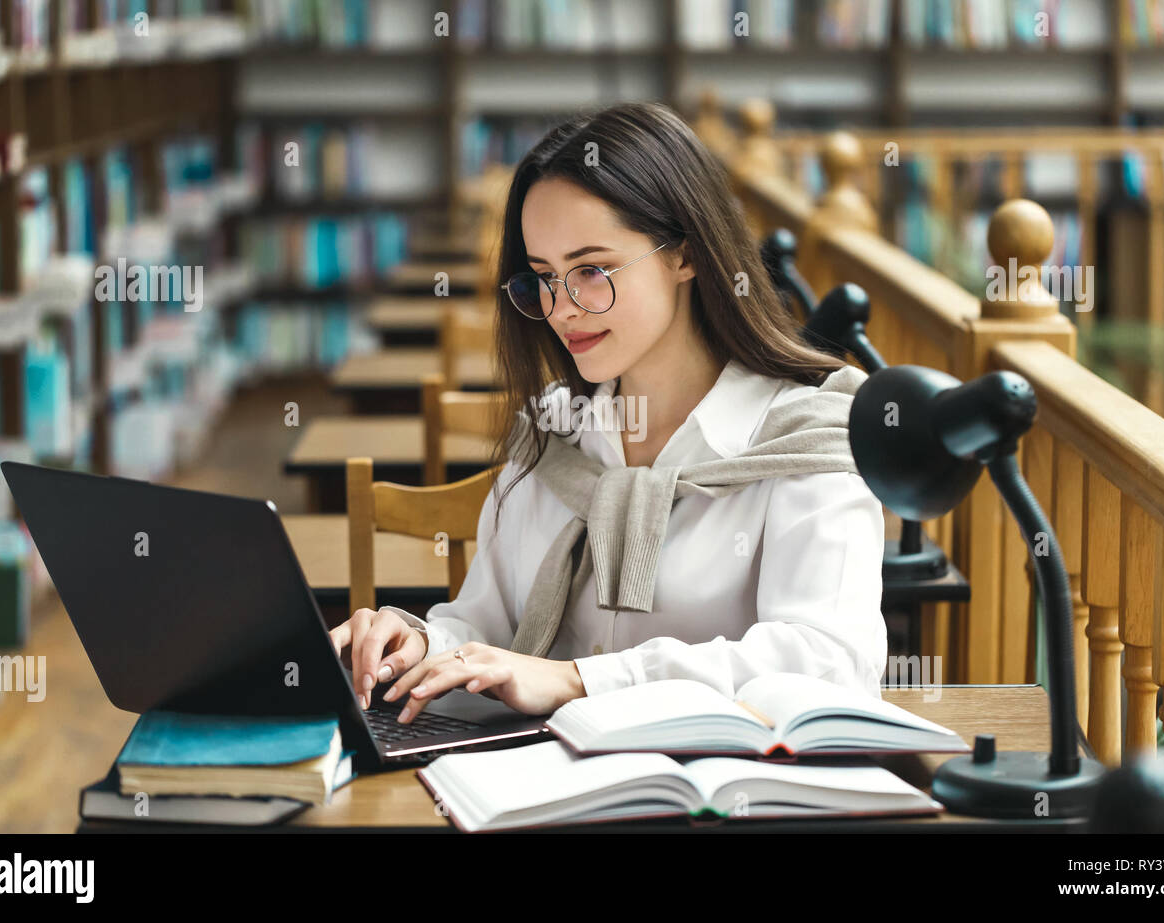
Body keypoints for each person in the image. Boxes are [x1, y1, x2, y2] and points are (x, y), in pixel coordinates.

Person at [329, 102, 887, 724]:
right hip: (539, 786)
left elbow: (831, 663)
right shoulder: (553, 432)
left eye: (591, 270)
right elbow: (488, 630)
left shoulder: (805, 436)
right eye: (543, 276)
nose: (562, 308)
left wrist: (577, 680)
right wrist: (418, 648)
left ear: (685, 254)